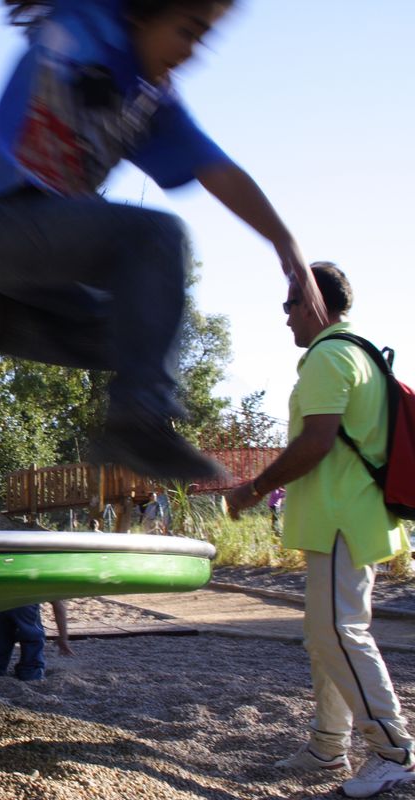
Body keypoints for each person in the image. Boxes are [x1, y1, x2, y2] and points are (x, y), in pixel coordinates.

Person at [0, 0, 326, 482]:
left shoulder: (152, 102)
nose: (191, 53)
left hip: (34, 265)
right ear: (142, 14)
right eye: (186, 31)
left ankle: (0, 321)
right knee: (158, 237)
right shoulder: (90, 20)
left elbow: (218, 170)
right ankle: (139, 421)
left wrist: (285, 243)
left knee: (138, 328)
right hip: (4, 220)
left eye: (202, 40)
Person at [227, 264, 415, 798]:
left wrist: (253, 488)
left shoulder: (330, 356)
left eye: (289, 304)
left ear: (314, 304)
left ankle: (393, 751)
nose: (284, 317)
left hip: (341, 518)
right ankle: (329, 746)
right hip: (346, 517)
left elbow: (317, 442)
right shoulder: (359, 352)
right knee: (325, 636)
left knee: (339, 633)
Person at [0, 600, 72, 682]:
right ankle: (31, 672)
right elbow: (58, 604)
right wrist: (63, 636)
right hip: (24, 600)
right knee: (32, 638)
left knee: (0, 641)